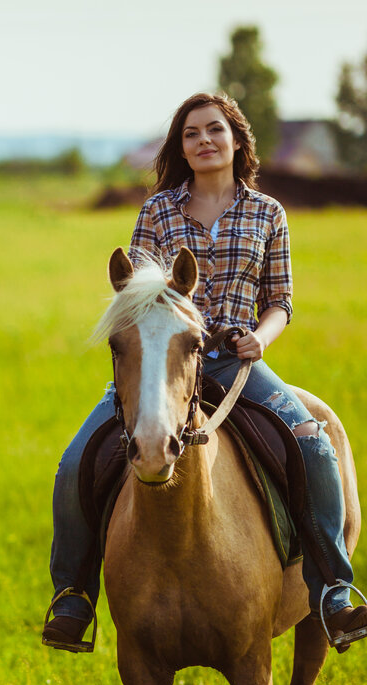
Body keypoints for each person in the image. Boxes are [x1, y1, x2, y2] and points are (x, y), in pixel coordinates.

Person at [42, 92, 367, 651]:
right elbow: (134, 298)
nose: (204, 141)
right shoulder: (158, 212)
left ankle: (334, 587)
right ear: (182, 147)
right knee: (77, 459)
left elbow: (280, 300)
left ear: (237, 140)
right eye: (191, 134)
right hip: (162, 361)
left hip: (236, 363)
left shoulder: (268, 213)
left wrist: (259, 340)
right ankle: (73, 595)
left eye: (215, 130)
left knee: (313, 444)